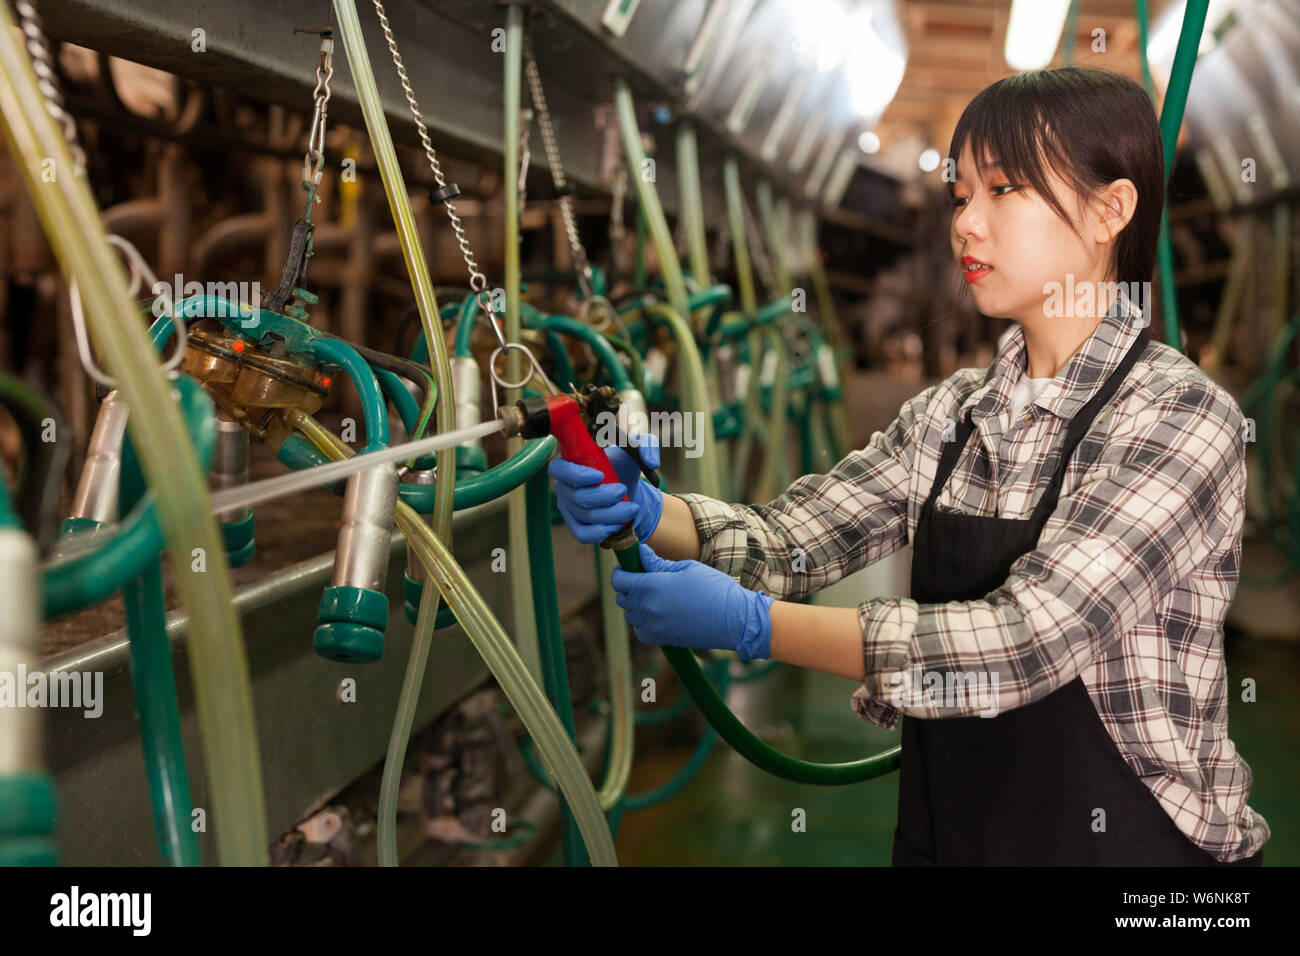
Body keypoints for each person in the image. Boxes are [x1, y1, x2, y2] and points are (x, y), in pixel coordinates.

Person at [548, 68, 1268, 866]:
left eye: (1005, 190)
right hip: (954, 835)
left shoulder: (1180, 417)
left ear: (1112, 209)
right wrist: (651, 511)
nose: (968, 224)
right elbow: (799, 538)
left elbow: (1022, 640)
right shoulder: (953, 413)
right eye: (962, 197)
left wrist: (754, 628)